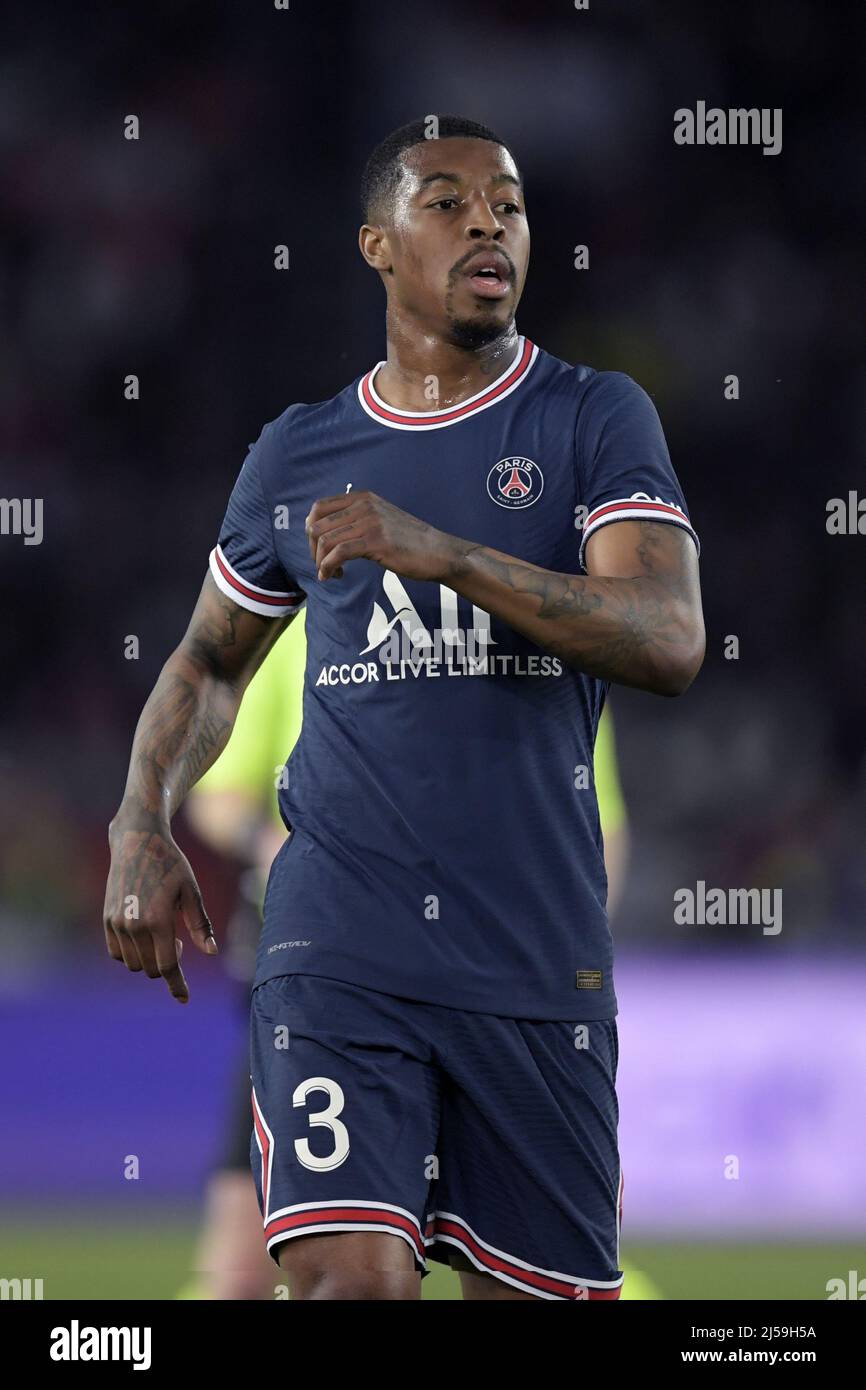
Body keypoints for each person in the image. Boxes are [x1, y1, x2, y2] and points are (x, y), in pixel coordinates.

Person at [104, 114, 704, 1301]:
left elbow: (668, 637)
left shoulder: (593, 419)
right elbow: (212, 662)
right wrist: (140, 819)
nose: (488, 220)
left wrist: (448, 554)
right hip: (342, 948)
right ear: (377, 244)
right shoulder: (297, 453)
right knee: (347, 1283)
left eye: (510, 203)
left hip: (537, 967)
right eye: (446, 200)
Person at [180, 608, 629, 1299]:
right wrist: (279, 848)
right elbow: (219, 795)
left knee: (531, 1272)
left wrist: (572, 968)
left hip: (506, 991)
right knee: (254, 1269)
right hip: (330, 985)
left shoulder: (537, 634)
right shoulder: (301, 628)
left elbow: (602, 828)